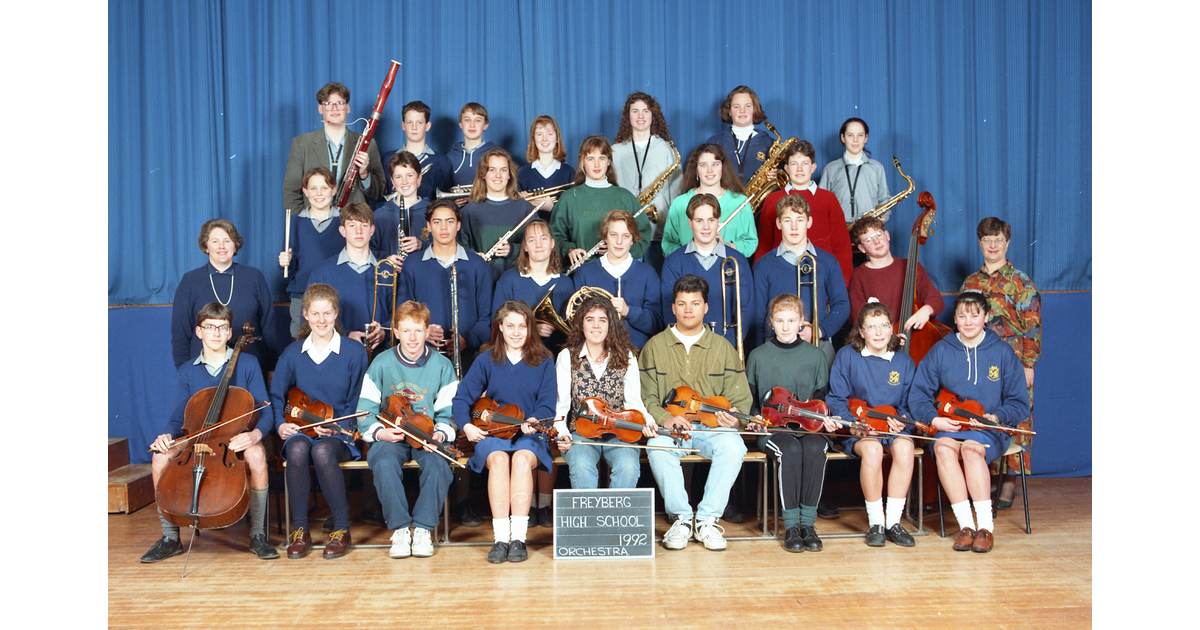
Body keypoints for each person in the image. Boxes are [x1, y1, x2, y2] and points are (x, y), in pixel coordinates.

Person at [141, 303, 277, 563]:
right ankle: (170, 538)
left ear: (229, 333)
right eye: (210, 327)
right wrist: (165, 436)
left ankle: (258, 535)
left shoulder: (248, 364)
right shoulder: (187, 371)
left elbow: (267, 412)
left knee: (257, 456)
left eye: (222, 327)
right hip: (197, 440)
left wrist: (254, 435)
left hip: (237, 439)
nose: (216, 333)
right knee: (159, 457)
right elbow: (176, 418)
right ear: (199, 332)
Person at [908, 292, 1030, 553]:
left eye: (975, 315)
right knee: (942, 449)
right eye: (962, 316)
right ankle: (966, 527)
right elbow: (918, 395)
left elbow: (1020, 402)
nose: (968, 321)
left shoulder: (1002, 352)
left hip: (987, 430)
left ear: (986, 317)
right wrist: (935, 420)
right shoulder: (941, 350)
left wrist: (996, 417)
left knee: (971, 450)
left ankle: (985, 528)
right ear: (954, 318)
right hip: (950, 427)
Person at [640, 275, 751, 552]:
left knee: (733, 445)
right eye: (682, 303)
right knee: (657, 447)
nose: (688, 309)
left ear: (706, 307)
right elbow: (645, 397)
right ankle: (681, 519)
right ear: (673, 308)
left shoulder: (723, 347)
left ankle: (707, 520)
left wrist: (734, 417)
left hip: (710, 429)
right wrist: (665, 418)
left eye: (695, 303)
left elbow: (739, 398)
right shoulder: (654, 346)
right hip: (671, 428)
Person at [452, 301, 558, 563]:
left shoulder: (544, 360)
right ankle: (501, 539)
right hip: (495, 433)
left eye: (522, 326)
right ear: (500, 327)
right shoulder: (486, 358)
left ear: (530, 328)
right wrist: (466, 425)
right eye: (510, 326)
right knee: (499, 460)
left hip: (530, 433)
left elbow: (547, 403)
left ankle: (518, 539)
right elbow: (462, 399)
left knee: (521, 459)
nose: (516, 332)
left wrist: (535, 419)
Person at [271, 284, 370, 559]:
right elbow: (276, 395)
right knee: (299, 448)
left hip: (339, 433)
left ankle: (341, 529)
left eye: (327, 313)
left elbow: (358, 400)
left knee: (323, 450)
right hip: (301, 429)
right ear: (305, 315)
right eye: (315, 314)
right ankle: (300, 530)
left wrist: (339, 426)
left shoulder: (353, 352)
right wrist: (280, 424)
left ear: (336, 314)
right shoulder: (292, 354)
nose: (322, 320)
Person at [356, 300, 459, 559]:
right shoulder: (381, 363)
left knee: (439, 465)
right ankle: (401, 529)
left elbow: (450, 412)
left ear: (427, 332)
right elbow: (366, 410)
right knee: (382, 461)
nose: (412, 337)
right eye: (406, 330)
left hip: (427, 433)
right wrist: (380, 433)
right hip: (392, 433)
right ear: (396, 332)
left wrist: (440, 433)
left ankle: (423, 529)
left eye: (418, 330)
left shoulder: (442, 366)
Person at [745, 294, 839, 552]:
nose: (785, 327)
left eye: (791, 320)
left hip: (808, 426)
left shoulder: (815, 355)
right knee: (790, 450)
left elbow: (819, 401)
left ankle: (808, 525)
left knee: (815, 449)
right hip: (773, 428)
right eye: (779, 320)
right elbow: (750, 400)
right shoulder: (758, 355)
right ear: (771, 322)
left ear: (802, 323)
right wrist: (754, 419)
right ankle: (792, 528)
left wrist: (825, 420)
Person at [959, 217, 1040, 509]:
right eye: (987, 240)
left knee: (1017, 417)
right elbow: (963, 324)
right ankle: (988, 475)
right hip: (980, 363)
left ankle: (1010, 481)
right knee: (984, 414)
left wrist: (1028, 364)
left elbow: (1032, 326)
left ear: (1007, 243)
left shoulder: (1020, 281)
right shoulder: (971, 282)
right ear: (980, 243)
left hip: (1014, 362)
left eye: (998, 240)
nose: (992, 246)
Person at [826, 300, 919, 548]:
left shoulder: (904, 362)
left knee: (905, 448)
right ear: (861, 331)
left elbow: (910, 405)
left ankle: (894, 523)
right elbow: (836, 399)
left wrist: (902, 422)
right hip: (861, 430)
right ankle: (876, 521)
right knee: (874, 449)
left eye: (884, 325)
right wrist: (851, 423)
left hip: (892, 428)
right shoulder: (847, 356)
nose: (878, 332)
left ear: (891, 329)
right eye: (871, 327)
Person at [553, 294, 653, 490]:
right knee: (581, 466)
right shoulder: (567, 356)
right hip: (580, 433)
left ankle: (615, 519)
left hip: (619, 433)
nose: (596, 326)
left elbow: (634, 402)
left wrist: (648, 422)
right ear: (582, 325)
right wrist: (562, 433)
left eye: (602, 320)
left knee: (628, 467)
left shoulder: (627, 356)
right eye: (590, 319)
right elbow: (561, 405)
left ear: (611, 325)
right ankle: (589, 519)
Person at [750, 195, 849, 366]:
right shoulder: (763, 265)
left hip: (816, 341)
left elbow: (842, 304)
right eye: (788, 220)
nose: (794, 227)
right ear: (778, 223)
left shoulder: (827, 262)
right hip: (775, 345)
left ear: (809, 222)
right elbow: (758, 317)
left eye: (800, 220)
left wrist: (818, 331)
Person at [171, 219, 280, 372]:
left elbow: (269, 327)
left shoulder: (254, 277)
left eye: (227, 240)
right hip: (203, 369)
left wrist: (273, 368)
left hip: (251, 368)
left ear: (235, 245)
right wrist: (184, 372)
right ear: (206, 246)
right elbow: (180, 333)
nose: (221, 246)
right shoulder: (190, 281)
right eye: (215, 241)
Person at [397, 199, 494, 366]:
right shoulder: (412, 264)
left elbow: (487, 317)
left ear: (458, 225)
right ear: (428, 225)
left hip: (469, 359)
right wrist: (422, 333)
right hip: (423, 356)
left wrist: (467, 340)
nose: (443, 227)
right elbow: (403, 313)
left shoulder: (477, 265)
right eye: (437, 221)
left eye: (450, 221)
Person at [660, 193, 753, 353]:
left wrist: (725, 346)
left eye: (711, 220)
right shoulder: (673, 262)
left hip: (726, 349)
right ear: (690, 222)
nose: (706, 227)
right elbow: (670, 310)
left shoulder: (737, 261)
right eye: (699, 221)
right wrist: (689, 345)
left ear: (718, 221)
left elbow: (745, 309)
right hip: (686, 349)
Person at [755, 141, 853, 284]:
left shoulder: (828, 199)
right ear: (786, 168)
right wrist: (761, 282)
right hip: (781, 276)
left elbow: (842, 246)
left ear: (813, 167)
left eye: (805, 163)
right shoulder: (772, 199)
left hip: (821, 277)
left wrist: (838, 284)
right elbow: (764, 244)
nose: (800, 169)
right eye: (794, 164)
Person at [283, 82, 385, 212]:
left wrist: (364, 175)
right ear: (320, 109)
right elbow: (291, 194)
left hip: (354, 226)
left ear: (348, 108)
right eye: (328, 103)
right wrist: (306, 224)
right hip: (315, 226)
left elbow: (379, 193)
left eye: (340, 103)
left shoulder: (368, 143)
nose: (334, 108)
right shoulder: (302, 144)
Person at [550, 136, 650, 267]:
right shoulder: (569, 198)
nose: (596, 165)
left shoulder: (625, 197)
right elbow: (554, 236)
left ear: (609, 161)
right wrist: (570, 250)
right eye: (590, 159)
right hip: (580, 273)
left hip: (618, 272)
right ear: (582, 162)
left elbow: (643, 236)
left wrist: (620, 250)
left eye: (602, 158)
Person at [572, 210, 663, 349]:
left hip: (636, 356)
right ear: (605, 237)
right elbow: (575, 320)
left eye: (625, 236)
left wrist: (628, 311)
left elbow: (657, 323)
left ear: (633, 240)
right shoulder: (585, 273)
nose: (619, 242)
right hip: (594, 357)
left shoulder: (648, 274)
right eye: (613, 235)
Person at [612, 92, 681, 273]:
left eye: (646, 111)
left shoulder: (666, 149)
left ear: (653, 115)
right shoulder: (615, 151)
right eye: (635, 111)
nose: (641, 116)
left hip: (658, 233)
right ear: (628, 116)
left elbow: (676, 191)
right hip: (625, 234)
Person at [307, 202, 387, 352]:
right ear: (342, 231)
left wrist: (384, 332)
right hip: (336, 356)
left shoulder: (386, 271)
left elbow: (399, 312)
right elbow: (309, 321)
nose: (358, 231)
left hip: (380, 355)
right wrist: (344, 336)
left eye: (364, 225)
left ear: (372, 230)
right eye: (352, 225)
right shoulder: (321, 273)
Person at [846, 215, 945, 335]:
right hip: (880, 341)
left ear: (887, 235)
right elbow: (858, 320)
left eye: (879, 234)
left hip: (914, 337)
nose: (876, 241)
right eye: (868, 240)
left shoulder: (911, 266)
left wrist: (926, 310)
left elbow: (936, 300)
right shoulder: (858, 276)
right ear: (862, 248)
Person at [280, 167, 347, 337]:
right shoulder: (294, 222)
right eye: (313, 188)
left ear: (333, 191)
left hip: (336, 296)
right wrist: (284, 263)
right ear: (305, 192)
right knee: (300, 345)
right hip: (302, 296)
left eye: (324, 188)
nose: (319, 193)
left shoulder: (344, 222)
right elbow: (289, 271)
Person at [661, 144, 757, 258]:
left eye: (715, 164)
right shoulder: (680, 203)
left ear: (723, 167)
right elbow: (668, 244)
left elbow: (750, 243)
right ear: (696, 170)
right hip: (689, 271)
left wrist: (726, 246)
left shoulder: (740, 202)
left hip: (727, 268)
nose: (710, 170)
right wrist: (692, 254)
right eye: (703, 165)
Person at [492, 219, 574, 350]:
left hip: (557, 356)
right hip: (518, 355)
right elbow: (497, 323)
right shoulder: (508, 280)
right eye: (531, 240)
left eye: (543, 239)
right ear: (525, 246)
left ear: (552, 243)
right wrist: (532, 329)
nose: (538, 245)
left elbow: (572, 327)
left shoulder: (566, 283)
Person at [461, 147, 536, 279]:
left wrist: (512, 250)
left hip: (517, 280)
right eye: (492, 170)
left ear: (509, 175)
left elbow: (538, 246)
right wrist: (474, 256)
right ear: (483, 174)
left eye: (503, 170)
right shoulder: (469, 211)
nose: (498, 175)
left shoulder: (525, 208)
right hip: (480, 280)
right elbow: (458, 246)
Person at [819, 117, 890, 224]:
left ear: (866, 138)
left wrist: (885, 216)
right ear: (842, 138)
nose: (855, 140)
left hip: (869, 228)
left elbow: (884, 199)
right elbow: (822, 202)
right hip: (839, 228)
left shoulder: (877, 168)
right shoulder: (831, 169)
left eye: (860, 135)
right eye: (850, 135)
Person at [704, 86, 776, 187]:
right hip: (722, 201)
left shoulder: (769, 144)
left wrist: (774, 176)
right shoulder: (714, 142)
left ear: (755, 109)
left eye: (748, 106)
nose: (742, 111)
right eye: (736, 106)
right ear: (729, 111)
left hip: (759, 201)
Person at [371, 151, 430, 265]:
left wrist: (422, 245)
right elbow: (369, 250)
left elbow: (445, 249)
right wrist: (385, 260)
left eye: (410, 175)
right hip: (390, 278)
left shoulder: (432, 213)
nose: (404, 182)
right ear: (392, 181)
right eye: (398, 177)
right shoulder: (379, 216)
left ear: (419, 178)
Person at [517, 115, 575, 220]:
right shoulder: (523, 173)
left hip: (560, 234)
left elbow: (574, 211)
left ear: (557, 138)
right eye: (539, 134)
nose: (544, 139)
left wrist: (552, 208)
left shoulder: (569, 172)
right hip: (532, 232)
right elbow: (516, 212)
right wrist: (521, 201)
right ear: (533, 139)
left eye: (549, 134)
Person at [396, 100, 451, 200]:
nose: (414, 127)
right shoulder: (389, 159)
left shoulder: (442, 161)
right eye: (409, 122)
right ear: (403, 125)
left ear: (428, 126)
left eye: (419, 123)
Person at [447, 102, 499, 191]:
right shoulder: (450, 157)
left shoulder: (496, 155)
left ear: (485, 125)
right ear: (460, 124)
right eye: (467, 120)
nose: (472, 125)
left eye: (478, 120)